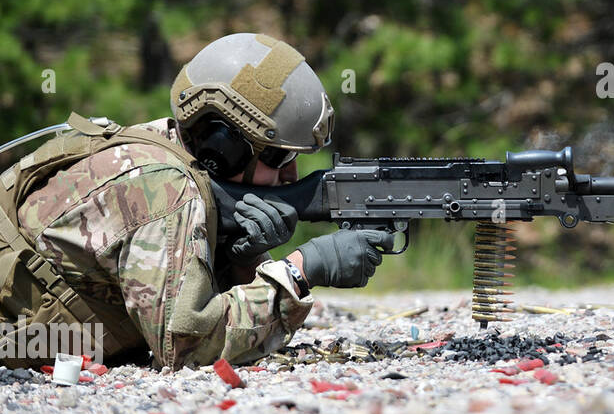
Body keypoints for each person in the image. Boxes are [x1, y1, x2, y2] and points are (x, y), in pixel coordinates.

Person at [0, 33, 393, 370]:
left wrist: (238, 259)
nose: (290, 177)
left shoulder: (157, 147)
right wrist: (302, 271)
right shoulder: (166, 189)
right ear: (223, 148)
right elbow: (186, 345)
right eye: (279, 157)